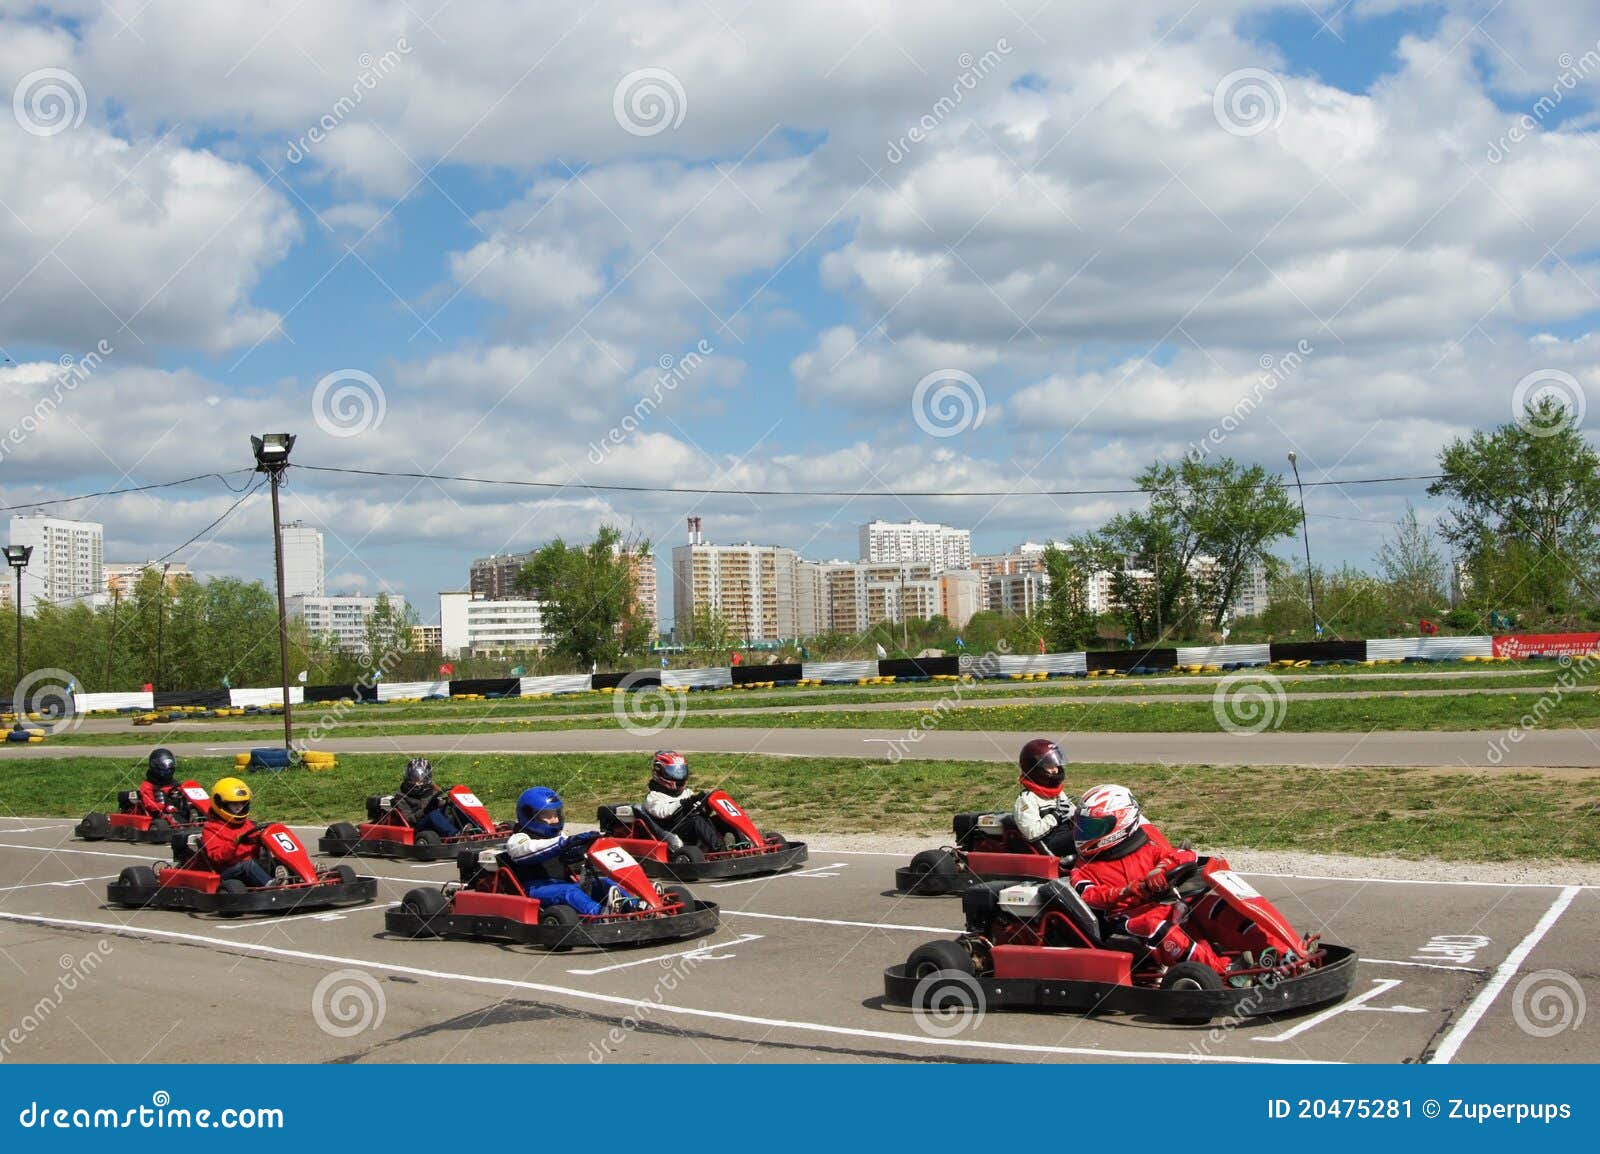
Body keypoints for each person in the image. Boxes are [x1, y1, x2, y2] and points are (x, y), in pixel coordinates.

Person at [1068, 784, 1227, 974]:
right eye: (1083, 828)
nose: (1085, 835)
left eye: (1094, 828)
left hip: (1161, 906)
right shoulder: (1083, 867)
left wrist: (1161, 870)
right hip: (1123, 921)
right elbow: (1089, 895)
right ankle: (1222, 973)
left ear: (1121, 821)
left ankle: (1269, 953)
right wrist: (1125, 891)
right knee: (1157, 925)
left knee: (1216, 907)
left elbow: (1186, 855)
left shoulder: (1145, 848)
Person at [503, 787, 642, 915]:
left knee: (606, 883)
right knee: (570, 892)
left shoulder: (558, 837)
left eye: (556, 814)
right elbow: (534, 849)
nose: (555, 820)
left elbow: (568, 853)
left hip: (561, 884)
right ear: (529, 816)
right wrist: (566, 842)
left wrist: (587, 844)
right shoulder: (517, 840)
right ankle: (602, 915)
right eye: (548, 815)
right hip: (534, 889)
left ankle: (636, 907)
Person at [200, 777, 277, 888]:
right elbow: (217, 857)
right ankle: (271, 886)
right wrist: (234, 843)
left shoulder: (248, 825)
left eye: (242, 804)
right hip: (228, 871)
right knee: (248, 865)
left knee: (274, 860)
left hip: (253, 865)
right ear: (221, 804)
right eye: (234, 805)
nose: (239, 809)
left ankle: (299, 880)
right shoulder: (211, 828)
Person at [640, 750, 723, 851]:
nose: (680, 776)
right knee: (696, 820)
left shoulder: (686, 792)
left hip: (691, 828)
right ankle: (720, 850)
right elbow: (662, 812)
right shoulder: (654, 796)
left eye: (681, 771)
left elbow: (695, 805)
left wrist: (705, 801)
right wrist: (684, 803)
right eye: (674, 772)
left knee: (720, 819)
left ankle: (742, 844)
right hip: (672, 830)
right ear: (659, 773)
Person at [1012, 739, 1076, 857]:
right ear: (1035, 768)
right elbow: (1031, 833)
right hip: (1050, 844)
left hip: (1065, 836)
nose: (1055, 770)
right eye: (1049, 766)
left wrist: (1078, 813)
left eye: (1056, 765)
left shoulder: (1058, 793)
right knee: (1085, 837)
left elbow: (1072, 815)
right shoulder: (1027, 799)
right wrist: (1055, 816)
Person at [390, 758, 459, 839]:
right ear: (408, 777)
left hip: (433, 822)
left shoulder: (431, 791)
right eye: (414, 779)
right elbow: (409, 819)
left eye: (422, 779)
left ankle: (474, 829)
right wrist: (425, 811)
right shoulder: (401, 796)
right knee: (433, 814)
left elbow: (439, 804)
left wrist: (447, 802)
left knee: (455, 807)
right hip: (417, 826)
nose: (418, 783)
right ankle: (455, 836)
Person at [134, 748, 186, 820]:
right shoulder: (147, 785)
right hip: (158, 817)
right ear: (155, 766)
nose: (167, 769)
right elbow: (150, 805)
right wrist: (165, 807)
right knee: (160, 794)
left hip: (178, 813)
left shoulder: (175, 784)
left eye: (170, 765)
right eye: (163, 766)